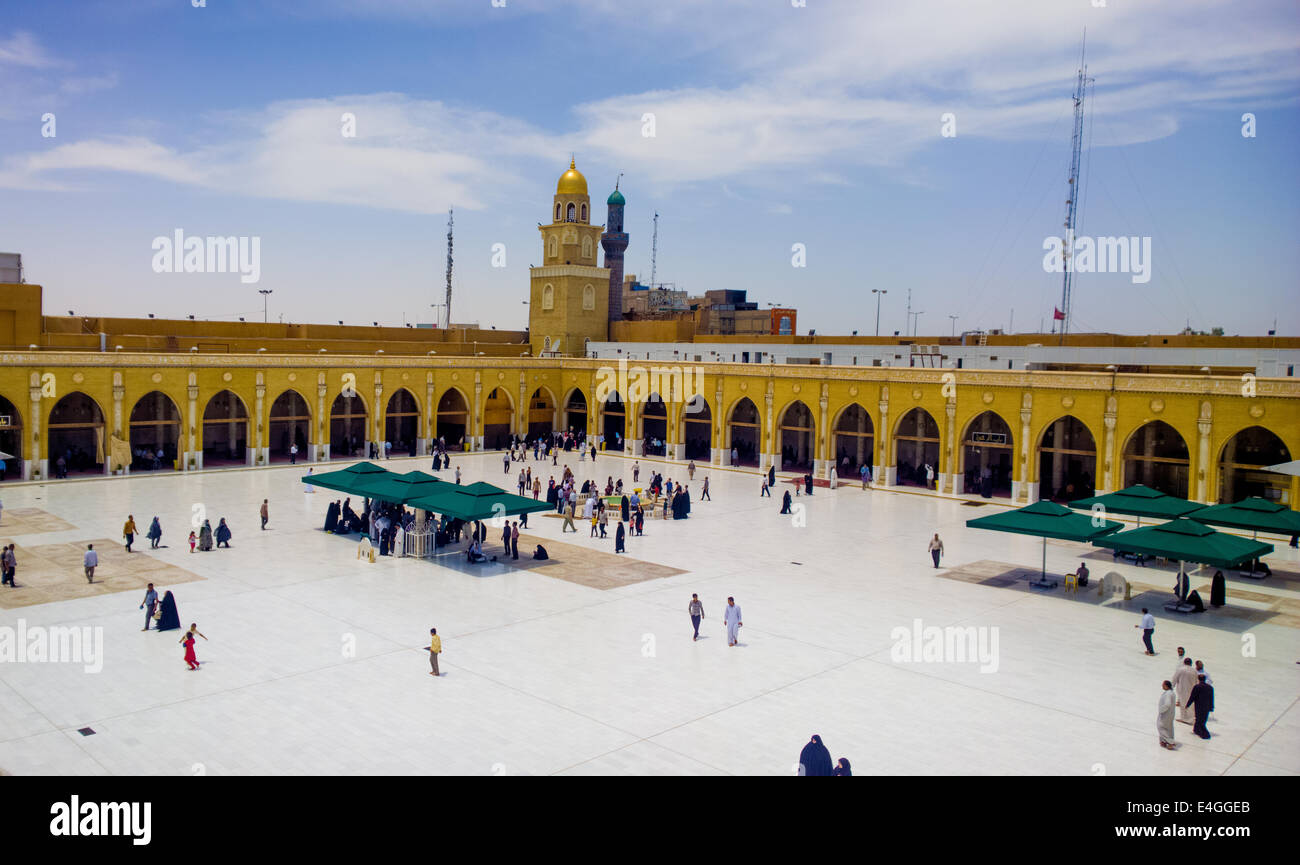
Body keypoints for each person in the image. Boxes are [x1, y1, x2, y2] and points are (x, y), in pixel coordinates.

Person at [1187, 675, 1213, 739]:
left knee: (1199, 719)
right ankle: (1196, 730)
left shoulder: (1197, 687)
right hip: (1206, 707)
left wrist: (1188, 704)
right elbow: (1211, 698)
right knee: (1202, 719)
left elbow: (1192, 697)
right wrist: (1211, 707)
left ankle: (1205, 734)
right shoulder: (1210, 687)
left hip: (1199, 706)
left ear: (1198, 679)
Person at [1173, 658, 1197, 724]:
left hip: (1182, 689)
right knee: (1190, 704)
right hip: (1191, 690)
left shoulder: (1180, 669)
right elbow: (1197, 681)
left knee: (1183, 704)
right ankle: (1189, 718)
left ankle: (1185, 718)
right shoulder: (1194, 671)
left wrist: (1172, 686)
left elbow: (1175, 678)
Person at [1157, 681, 1177, 750]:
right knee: (1169, 728)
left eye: (1163, 685)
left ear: (1166, 686)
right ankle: (1164, 741)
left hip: (1166, 713)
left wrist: (1161, 710)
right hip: (1170, 713)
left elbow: (1167, 704)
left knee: (1161, 727)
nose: (1162, 686)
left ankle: (1170, 742)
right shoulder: (1172, 693)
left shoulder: (1168, 694)